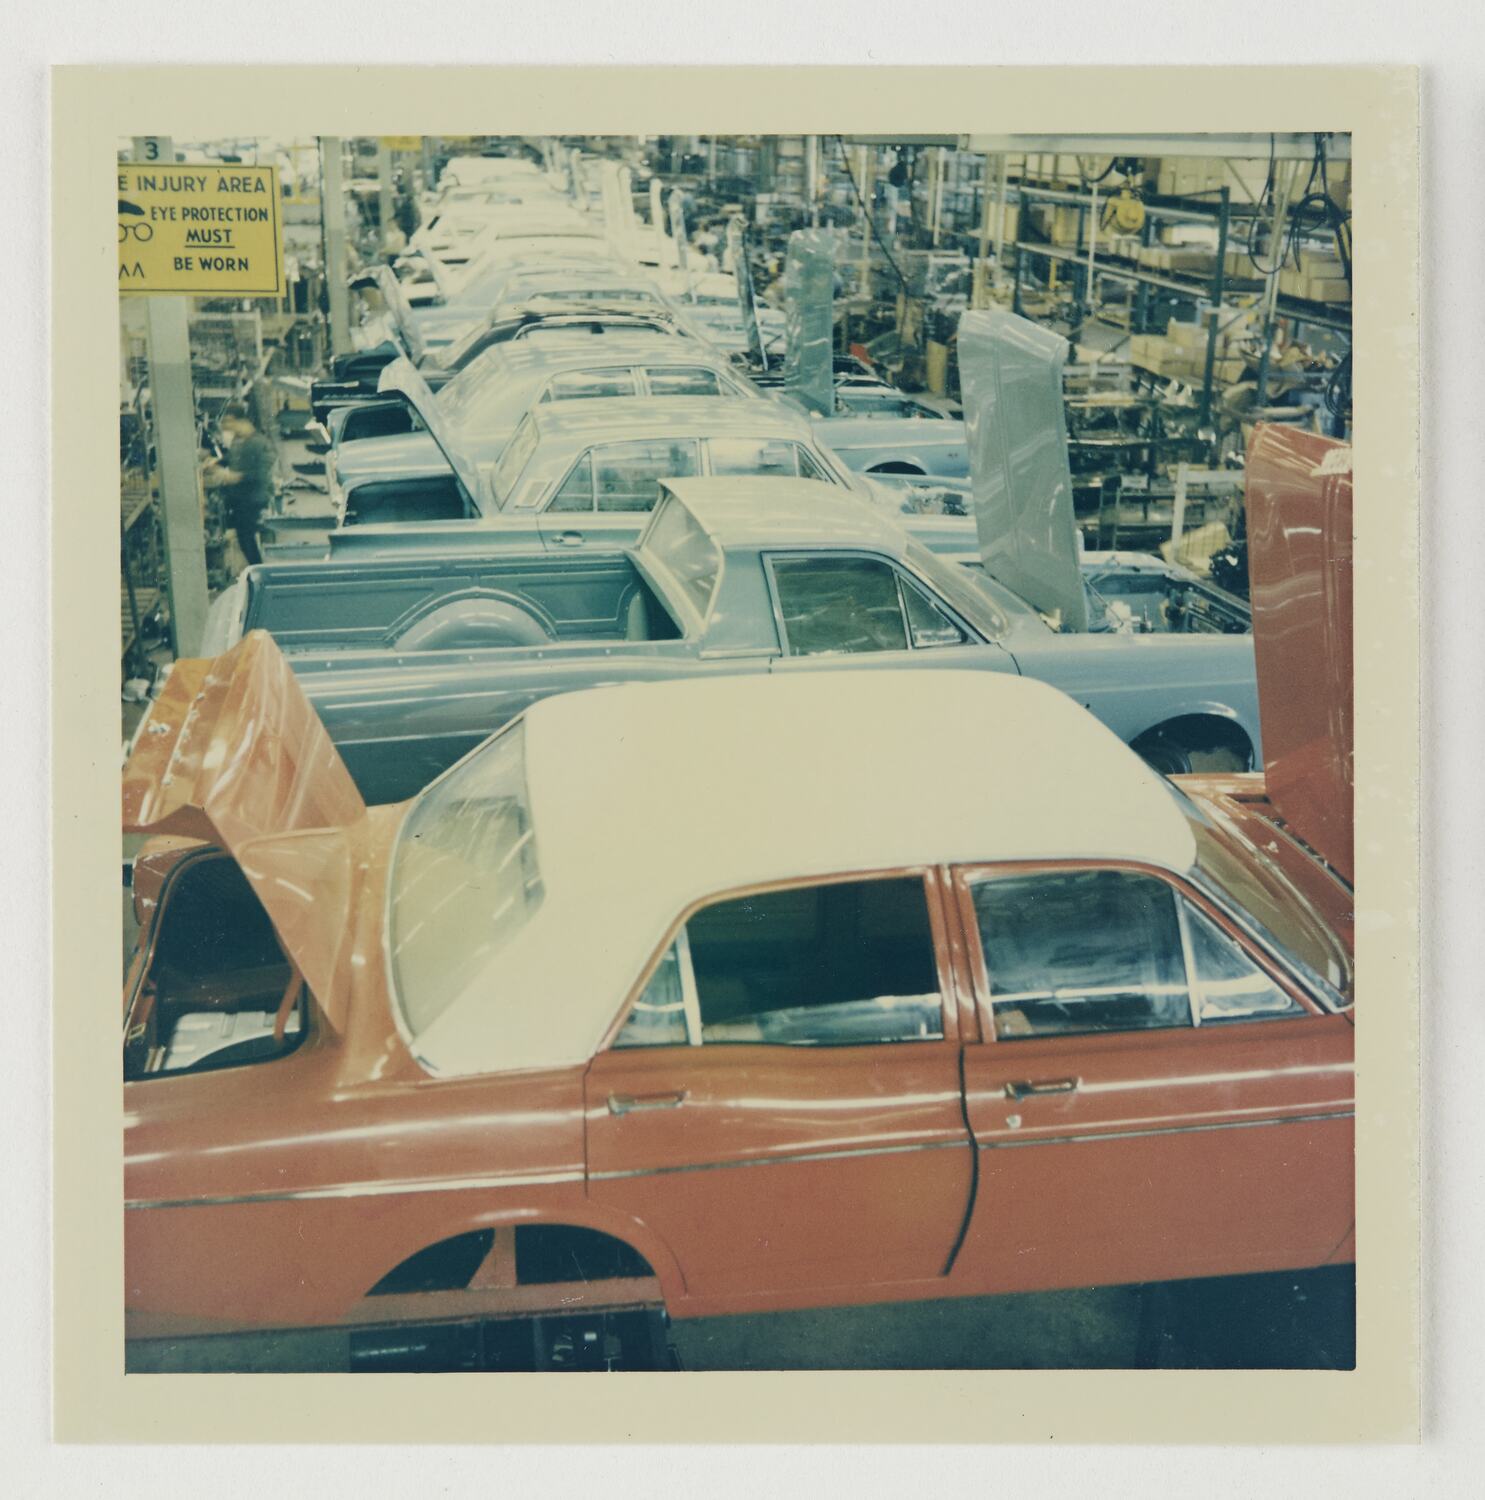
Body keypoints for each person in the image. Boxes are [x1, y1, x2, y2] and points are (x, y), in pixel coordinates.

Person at [202, 401, 274, 567]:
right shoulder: (239, 439)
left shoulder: (256, 443)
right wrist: (217, 463)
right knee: (243, 538)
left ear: (235, 420)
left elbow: (257, 475)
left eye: (227, 422)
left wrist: (232, 476)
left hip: (251, 499)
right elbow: (233, 457)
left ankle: (258, 569)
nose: (225, 426)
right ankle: (255, 567)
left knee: (246, 539)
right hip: (240, 497)